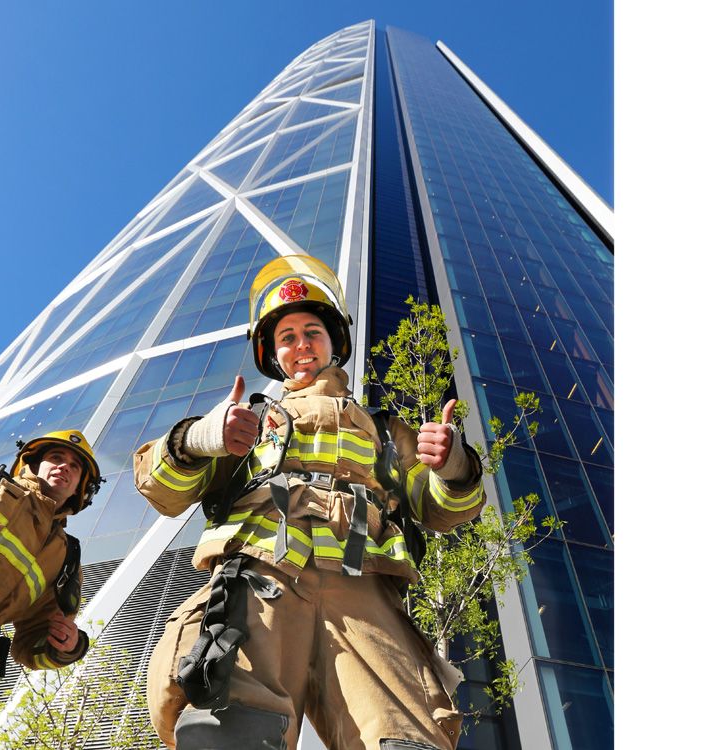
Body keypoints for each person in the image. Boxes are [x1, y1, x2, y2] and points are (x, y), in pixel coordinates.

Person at [134, 256, 487, 750]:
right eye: (287, 337)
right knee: (232, 725)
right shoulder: (248, 421)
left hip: (364, 589)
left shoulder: (387, 432)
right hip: (263, 576)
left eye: (312, 332)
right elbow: (165, 491)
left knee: (403, 736)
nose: (301, 345)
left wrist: (452, 467)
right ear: (273, 355)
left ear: (334, 343)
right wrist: (199, 438)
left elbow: (443, 510)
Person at [0, 429, 102, 707]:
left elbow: (32, 642)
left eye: (75, 466)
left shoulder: (66, 558)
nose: (64, 466)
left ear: (81, 488)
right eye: (56, 457)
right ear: (33, 463)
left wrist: (66, 646)